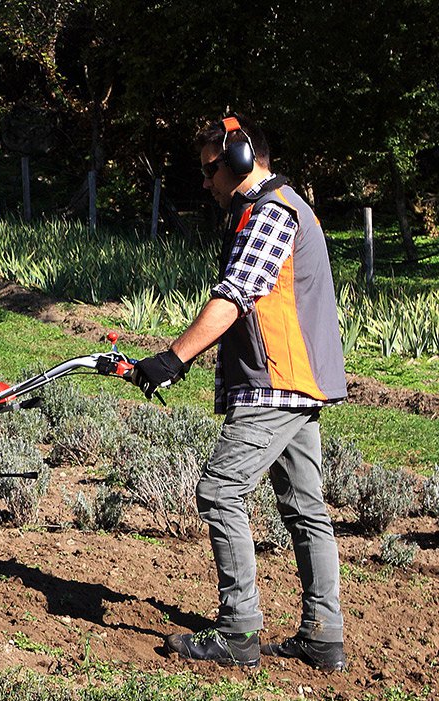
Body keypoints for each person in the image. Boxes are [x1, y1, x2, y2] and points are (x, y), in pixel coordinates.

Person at [130, 115, 349, 672]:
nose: (205, 182)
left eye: (211, 170)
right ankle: (323, 636)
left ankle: (238, 630)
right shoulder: (272, 208)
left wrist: (173, 358)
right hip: (293, 384)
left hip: (275, 383)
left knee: (220, 490)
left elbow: (235, 296)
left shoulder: (272, 212)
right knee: (305, 508)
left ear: (242, 160)